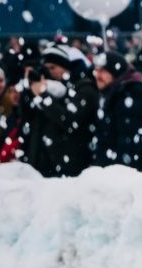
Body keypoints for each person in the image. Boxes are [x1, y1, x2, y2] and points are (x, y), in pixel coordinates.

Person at [18, 45, 94, 178]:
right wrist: (30, 91)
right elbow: (26, 118)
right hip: (40, 163)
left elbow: (69, 121)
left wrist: (43, 96)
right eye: (46, 68)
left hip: (67, 165)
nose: (49, 72)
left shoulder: (81, 89)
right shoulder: (45, 87)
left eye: (53, 68)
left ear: (66, 68)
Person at [93, 51, 142, 172]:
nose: (98, 75)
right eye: (96, 71)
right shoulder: (113, 95)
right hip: (118, 173)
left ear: (115, 73)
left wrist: (117, 172)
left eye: (103, 71)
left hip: (128, 177)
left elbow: (130, 144)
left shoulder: (129, 97)